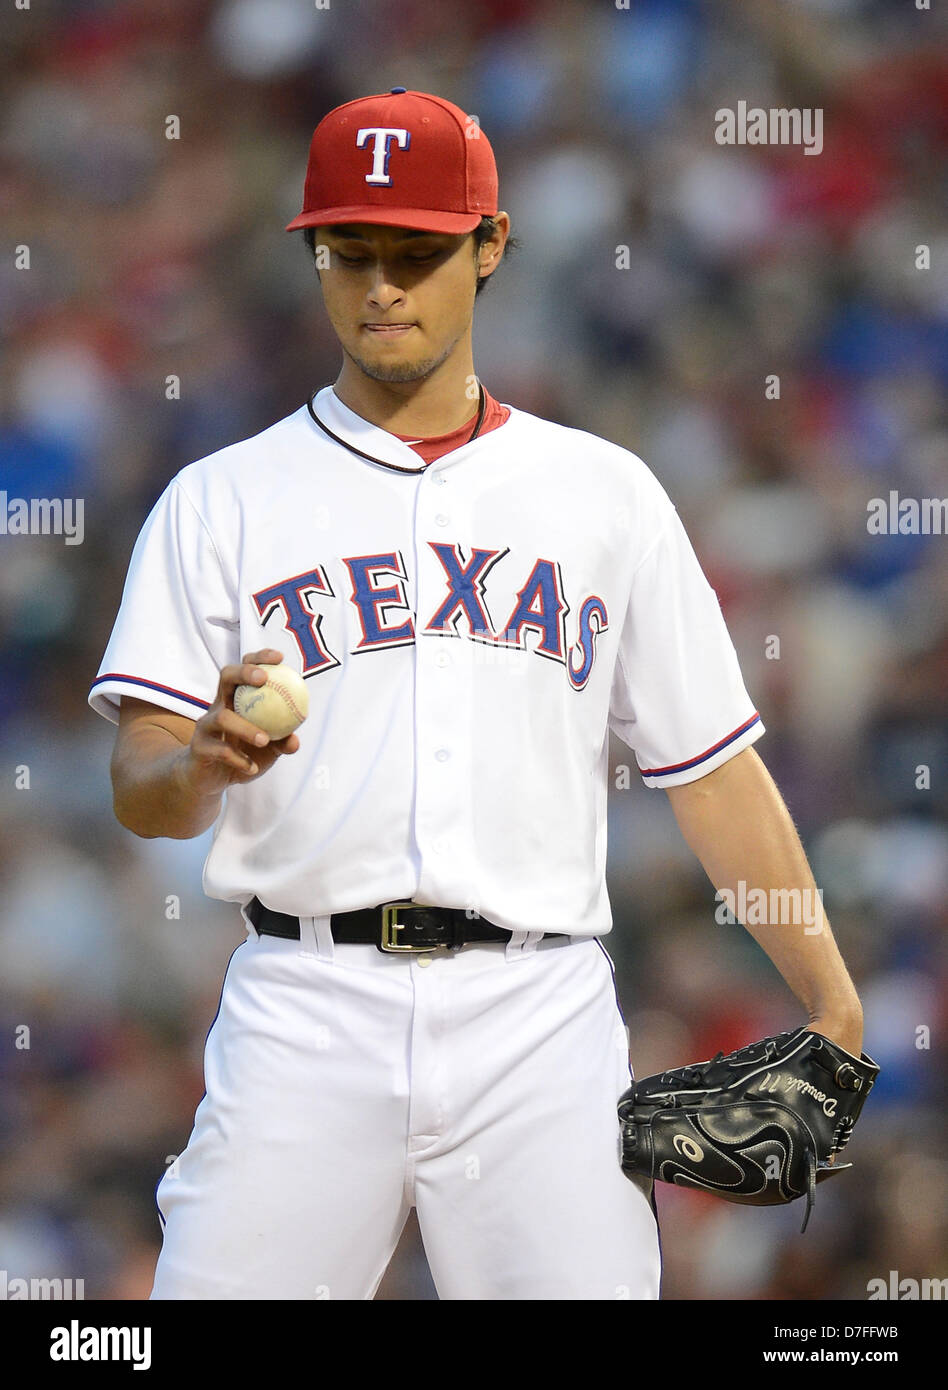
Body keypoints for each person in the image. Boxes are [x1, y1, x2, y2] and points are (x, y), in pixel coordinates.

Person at [89, 88, 864, 1300]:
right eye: (351, 253)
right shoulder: (220, 500)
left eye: (418, 253)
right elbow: (141, 788)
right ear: (316, 259)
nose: (382, 285)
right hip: (305, 1005)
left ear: (490, 247)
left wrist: (832, 994)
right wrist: (196, 761)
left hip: (537, 1014)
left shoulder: (602, 494)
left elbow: (711, 768)